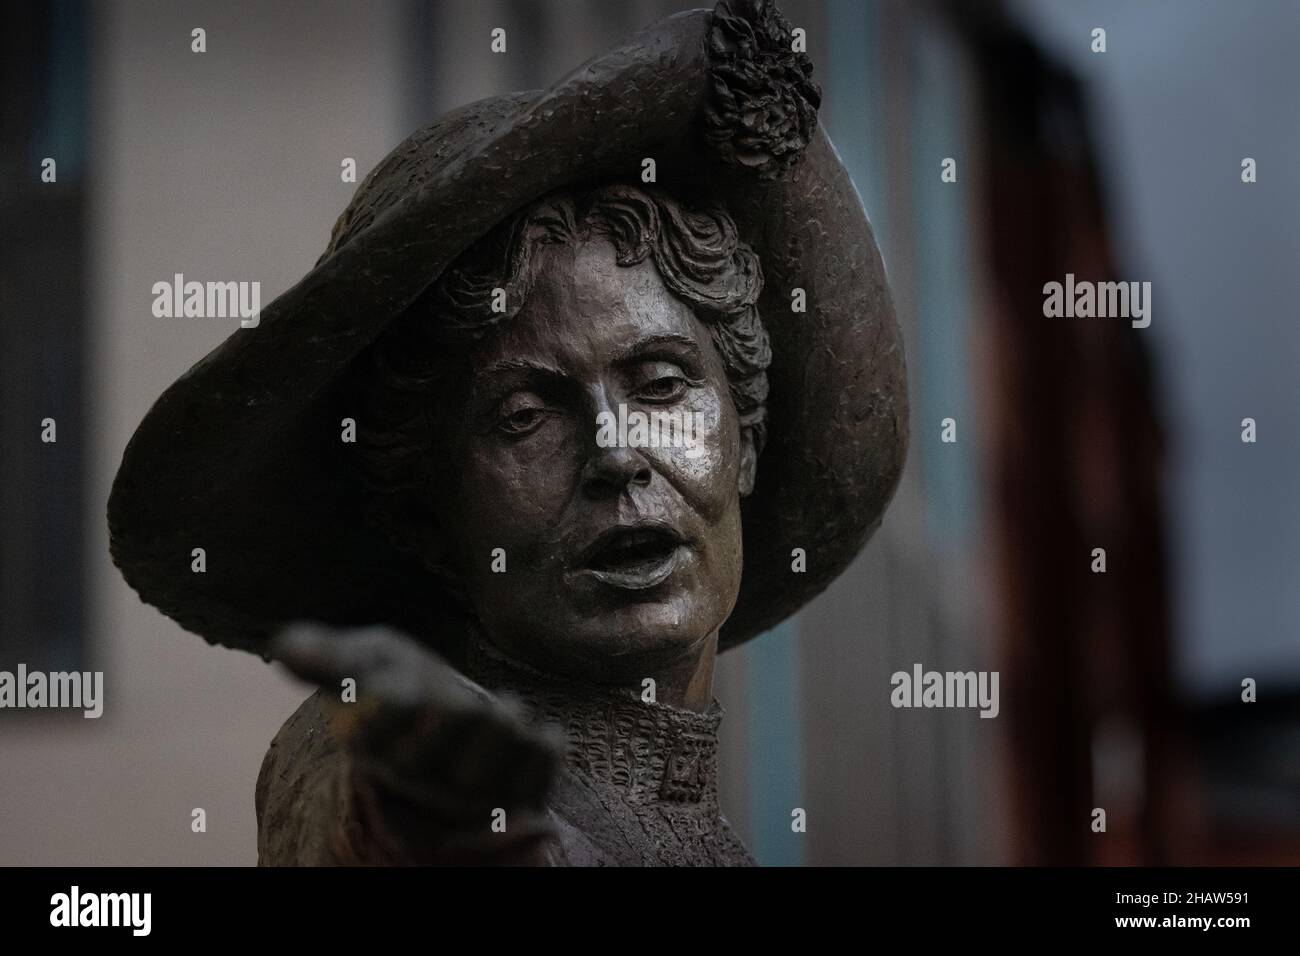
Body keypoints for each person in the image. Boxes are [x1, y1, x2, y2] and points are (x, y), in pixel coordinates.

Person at [108, 0, 908, 866]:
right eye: (525, 417)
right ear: (426, 517)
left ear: (745, 439)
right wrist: (433, 815)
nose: (615, 451)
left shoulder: (700, 831)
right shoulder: (381, 750)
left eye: (663, 384)